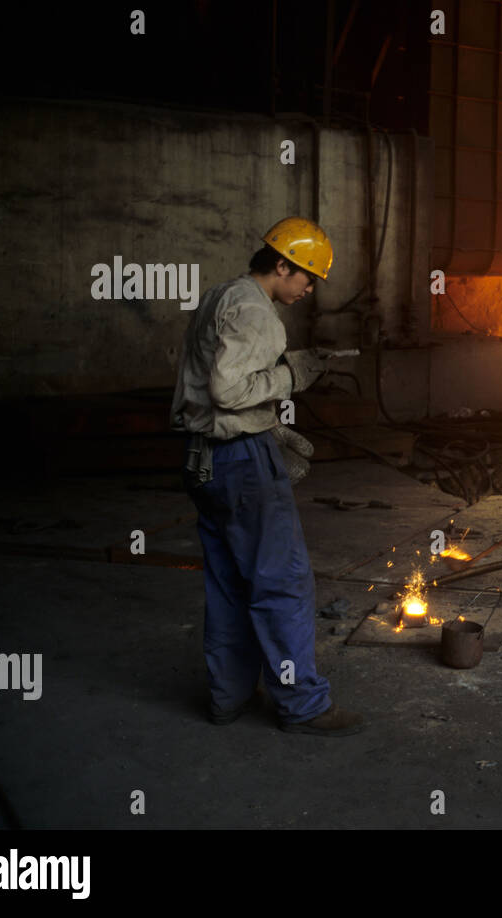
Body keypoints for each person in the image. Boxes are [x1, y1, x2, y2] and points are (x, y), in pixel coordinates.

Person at [171, 216, 365, 735]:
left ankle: (228, 697)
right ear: (282, 264)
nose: (308, 289)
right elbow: (229, 391)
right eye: (306, 277)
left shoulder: (220, 295)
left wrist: (264, 426)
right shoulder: (258, 313)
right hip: (238, 464)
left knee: (231, 583)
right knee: (282, 582)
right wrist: (293, 374)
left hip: (203, 458)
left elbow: (212, 391)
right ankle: (302, 705)